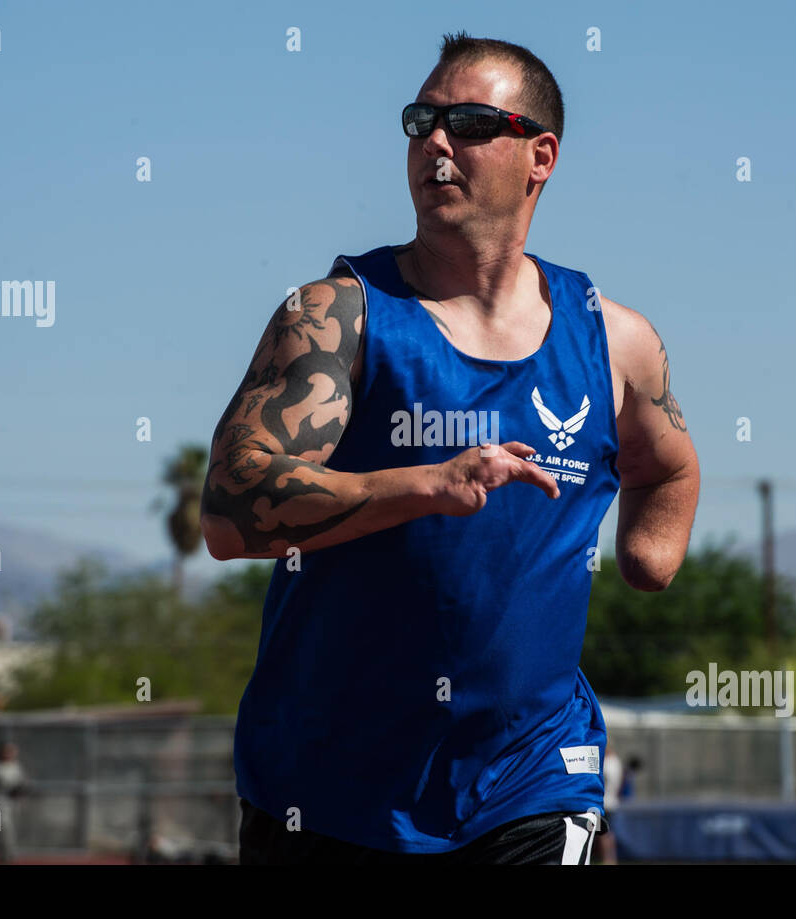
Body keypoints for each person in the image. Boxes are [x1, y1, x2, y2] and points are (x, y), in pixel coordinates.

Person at [202, 31, 700, 864]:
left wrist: (648, 552)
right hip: (327, 793)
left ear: (540, 154)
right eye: (421, 120)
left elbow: (670, 463)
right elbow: (229, 509)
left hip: (530, 784)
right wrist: (426, 484)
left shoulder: (614, 342)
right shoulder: (339, 317)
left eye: (469, 123)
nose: (435, 141)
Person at [0, 741, 27, 864]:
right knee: (1, 831)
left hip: (13, 804)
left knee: (10, 831)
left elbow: (22, 786)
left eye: (12, 751)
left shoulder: (16, 767)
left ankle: (8, 856)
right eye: (8, 751)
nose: (11, 754)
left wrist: (19, 791)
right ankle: (3, 856)